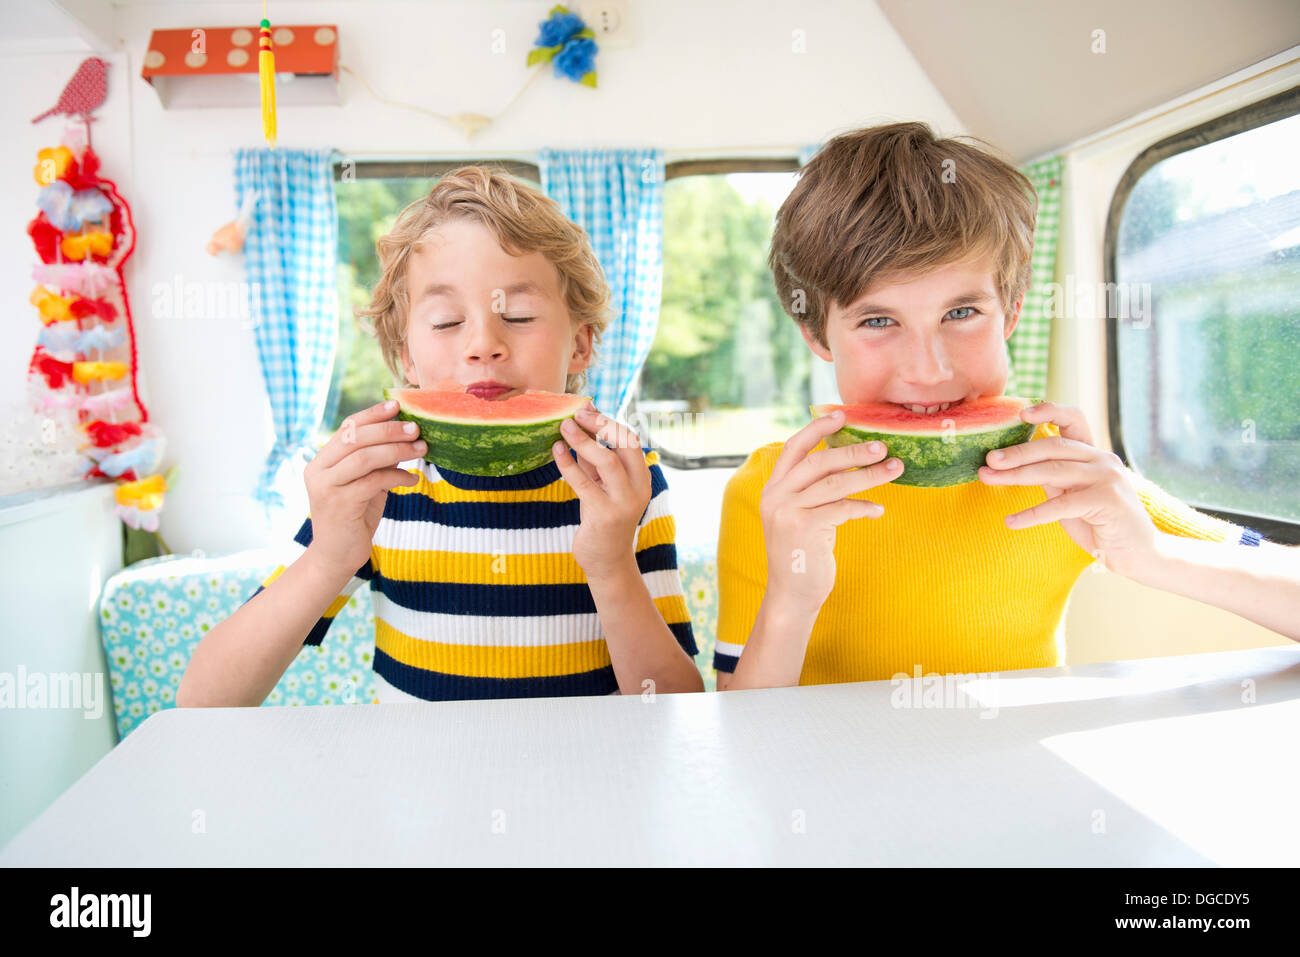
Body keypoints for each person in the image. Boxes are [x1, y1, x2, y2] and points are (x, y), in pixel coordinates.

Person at [714, 122, 1300, 691]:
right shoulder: (775, 490)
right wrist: (793, 596)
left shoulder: (1057, 472)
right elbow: (739, 730)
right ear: (817, 334)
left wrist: (1152, 555)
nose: (929, 369)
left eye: (961, 313)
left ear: (1012, 312)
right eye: (878, 321)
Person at [179, 167, 701, 706]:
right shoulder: (382, 485)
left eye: (518, 315)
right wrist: (330, 556)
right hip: (415, 788)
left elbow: (672, 705)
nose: (482, 344)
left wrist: (611, 563)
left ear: (580, 345)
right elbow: (206, 701)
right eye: (448, 321)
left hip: (584, 785)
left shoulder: (620, 477)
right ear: (406, 357)